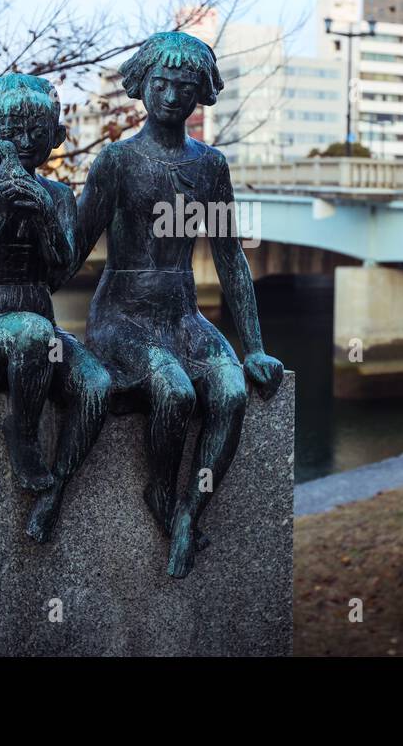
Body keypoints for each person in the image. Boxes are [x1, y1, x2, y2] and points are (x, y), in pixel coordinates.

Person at [73, 32, 283, 578]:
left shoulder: (210, 166)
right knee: (173, 389)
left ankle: (191, 510)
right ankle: (159, 490)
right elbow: (73, 248)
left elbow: (231, 257)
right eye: (162, 83)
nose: (171, 96)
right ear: (142, 84)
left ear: (201, 94)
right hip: (123, 316)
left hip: (183, 315)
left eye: (184, 87)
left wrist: (255, 347)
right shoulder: (116, 161)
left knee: (233, 391)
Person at [0, 73, 110, 543]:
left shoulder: (57, 197)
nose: (25, 142)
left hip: (39, 339)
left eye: (38, 132)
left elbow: (61, 271)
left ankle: (56, 492)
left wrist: (44, 219)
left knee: (96, 385)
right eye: (12, 132)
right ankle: (24, 433)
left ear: (56, 138)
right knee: (33, 331)